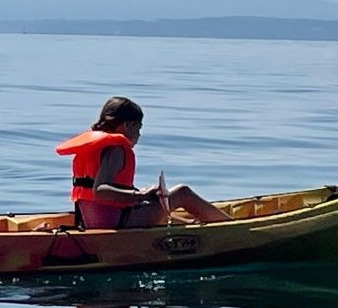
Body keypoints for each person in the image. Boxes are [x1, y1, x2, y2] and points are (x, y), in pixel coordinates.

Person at [58, 96, 229, 230]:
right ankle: (231, 228)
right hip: (116, 223)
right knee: (182, 193)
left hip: (95, 220)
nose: (139, 134)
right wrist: (140, 196)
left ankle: (195, 227)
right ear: (127, 125)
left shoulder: (97, 148)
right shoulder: (116, 150)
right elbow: (100, 190)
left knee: (174, 217)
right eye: (138, 128)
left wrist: (140, 194)